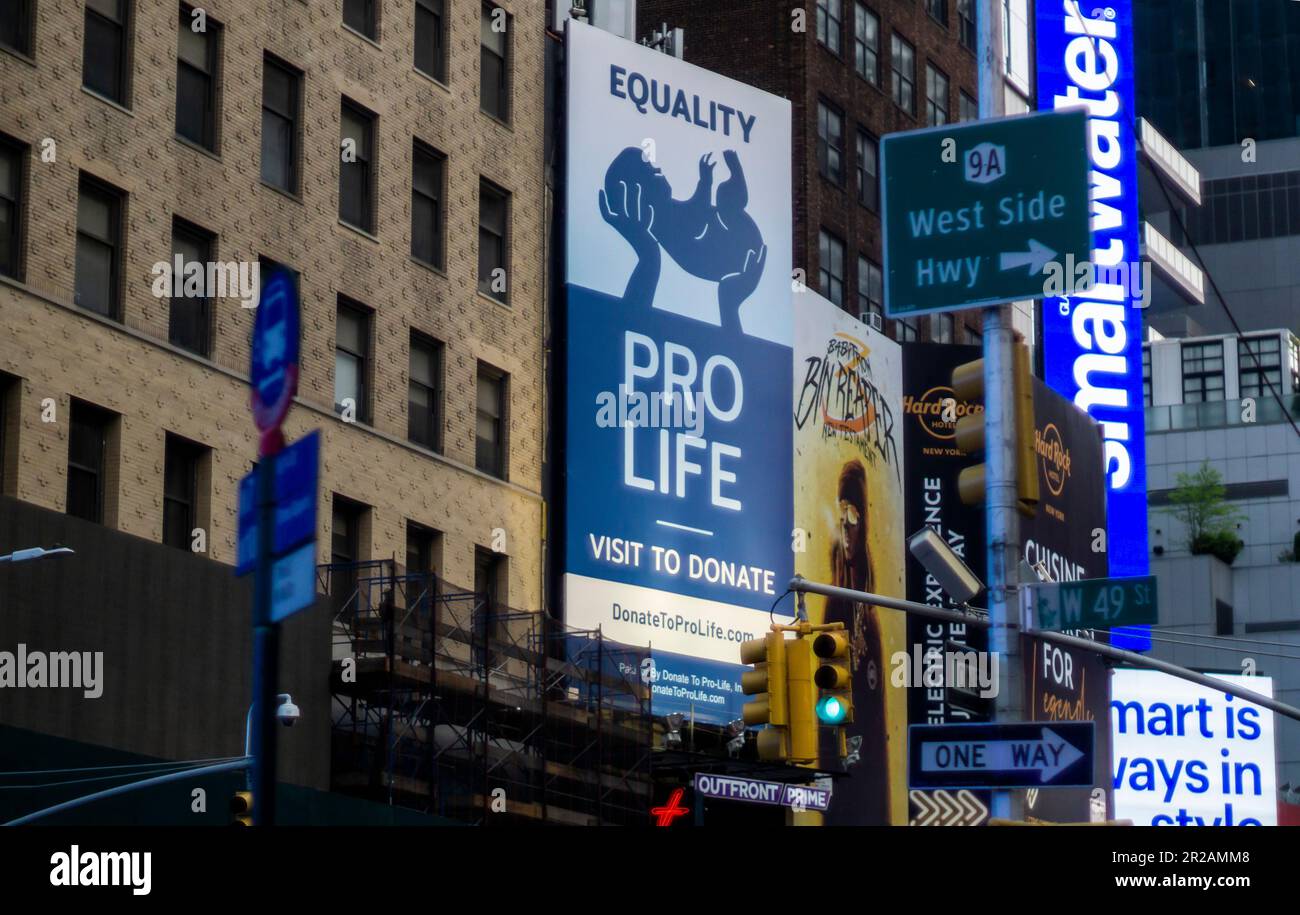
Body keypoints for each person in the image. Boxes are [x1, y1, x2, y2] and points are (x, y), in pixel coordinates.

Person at [823, 459, 891, 824]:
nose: (847, 524)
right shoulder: (831, 600)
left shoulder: (873, 609)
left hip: (869, 780)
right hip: (839, 775)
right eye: (842, 511)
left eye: (854, 512)